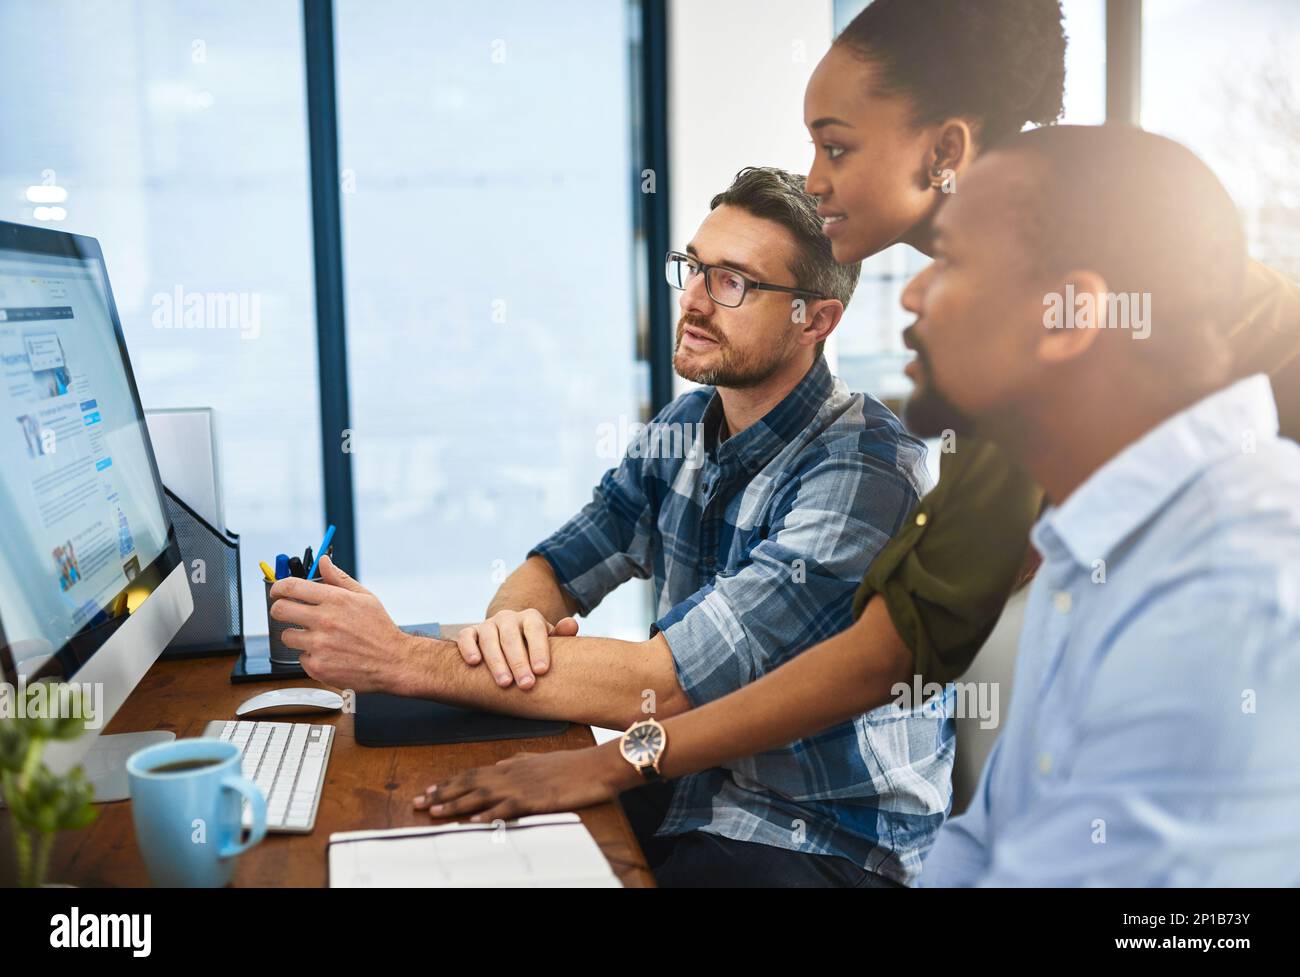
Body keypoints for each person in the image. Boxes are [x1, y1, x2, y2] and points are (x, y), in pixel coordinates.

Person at [421, 1, 1300, 884]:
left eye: (836, 147)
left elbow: (883, 654)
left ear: (944, 153)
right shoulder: (1085, 540)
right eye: (697, 271)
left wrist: (575, 734)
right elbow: (999, 840)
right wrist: (508, 648)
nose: (815, 180)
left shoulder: (1206, 560)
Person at [271, 164, 946, 888]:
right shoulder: (685, 426)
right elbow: (557, 567)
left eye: (734, 282)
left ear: (815, 320)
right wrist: (513, 630)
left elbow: (665, 686)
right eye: (693, 268)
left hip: (823, 840)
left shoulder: (865, 471)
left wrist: (406, 658)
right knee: (461, 843)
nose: (692, 301)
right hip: (687, 785)